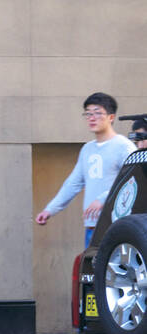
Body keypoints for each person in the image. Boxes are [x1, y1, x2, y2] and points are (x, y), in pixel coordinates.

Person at [35, 92, 135, 247]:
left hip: (116, 225)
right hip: (92, 227)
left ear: (111, 117)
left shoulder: (124, 146)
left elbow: (132, 181)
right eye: (88, 113)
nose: (92, 117)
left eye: (97, 113)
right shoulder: (87, 149)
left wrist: (103, 199)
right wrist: (50, 210)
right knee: (89, 270)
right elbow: (73, 184)